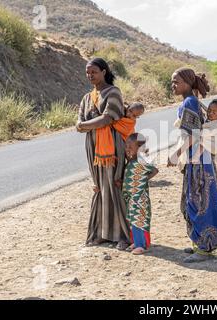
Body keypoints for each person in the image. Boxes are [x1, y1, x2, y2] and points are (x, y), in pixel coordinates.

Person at [168, 67, 217, 263]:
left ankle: (205, 248)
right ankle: (201, 242)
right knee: (198, 201)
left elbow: (195, 135)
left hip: (199, 161)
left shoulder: (190, 102)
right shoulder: (191, 100)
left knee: (199, 203)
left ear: (187, 82)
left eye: (176, 82)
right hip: (198, 160)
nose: (173, 85)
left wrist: (176, 154)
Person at [76, 57, 132, 250]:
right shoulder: (86, 97)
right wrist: (85, 124)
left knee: (115, 186)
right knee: (100, 187)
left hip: (112, 147)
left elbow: (108, 118)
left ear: (104, 72)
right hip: (93, 148)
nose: (90, 76)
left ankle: (124, 235)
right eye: (88, 72)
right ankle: (103, 233)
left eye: (94, 72)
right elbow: (80, 121)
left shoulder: (113, 92)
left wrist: (84, 125)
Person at [122, 133, 159, 255]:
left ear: (140, 148)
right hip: (132, 198)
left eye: (130, 147)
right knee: (133, 220)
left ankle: (142, 245)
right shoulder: (132, 160)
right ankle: (136, 242)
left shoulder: (142, 160)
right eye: (126, 146)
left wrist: (143, 179)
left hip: (140, 198)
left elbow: (154, 170)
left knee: (139, 220)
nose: (127, 149)